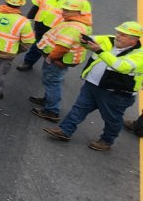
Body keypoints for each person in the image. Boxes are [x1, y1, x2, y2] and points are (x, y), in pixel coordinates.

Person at [44, 21, 143, 151]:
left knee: (112, 119)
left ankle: (107, 140)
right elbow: (90, 41)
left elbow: (120, 66)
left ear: (134, 40)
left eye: (123, 35)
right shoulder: (109, 39)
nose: (118, 36)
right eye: (119, 32)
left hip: (117, 94)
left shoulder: (139, 55)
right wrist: (83, 41)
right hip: (92, 85)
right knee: (79, 108)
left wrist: (99, 50)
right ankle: (65, 130)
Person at [30, 0, 93, 122]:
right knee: (51, 81)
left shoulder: (72, 27)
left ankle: (52, 110)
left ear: (78, 13)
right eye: (64, 9)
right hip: (61, 60)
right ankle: (48, 100)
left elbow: (62, 46)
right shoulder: (79, 25)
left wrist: (50, 58)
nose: (63, 12)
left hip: (56, 60)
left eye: (67, 10)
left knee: (52, 82)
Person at [18, 0, 87, 71]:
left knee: (55, 50)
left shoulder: (81, 2)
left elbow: (84, 20)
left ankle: (53, 70)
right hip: (41, 26)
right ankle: (28, 62)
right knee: (38, 45)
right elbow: (37, 5)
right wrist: (28, 19)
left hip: (58, 32)